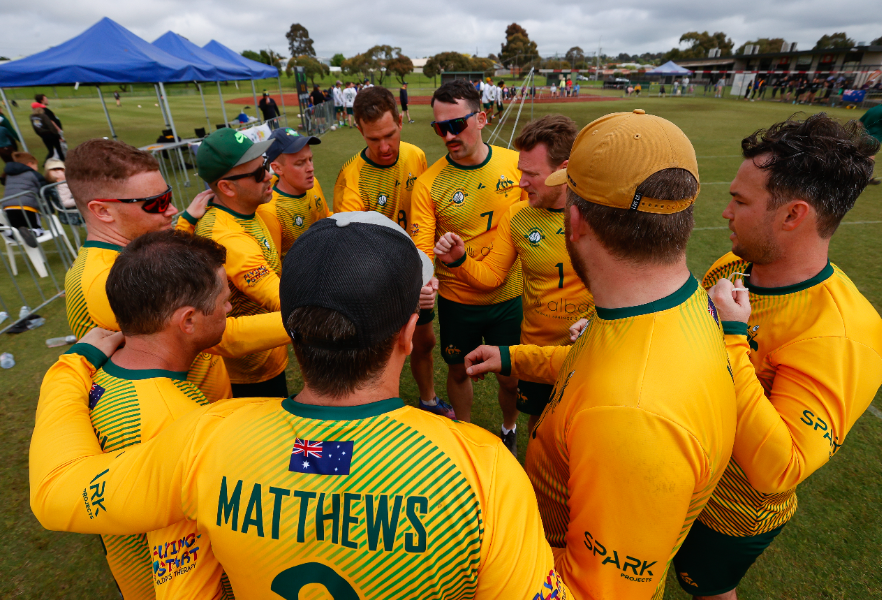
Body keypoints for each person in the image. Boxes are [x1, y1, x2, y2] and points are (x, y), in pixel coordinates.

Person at [30, 212, 572, 600]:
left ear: (290, 326)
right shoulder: (481, 466)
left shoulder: (206, 436)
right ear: (409, 334)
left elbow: (57, 493)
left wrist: (71, 366)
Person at [465, 109, 737, 599]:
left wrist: (492, 555)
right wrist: (512, 358)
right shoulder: (677, 304)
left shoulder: (630, 415)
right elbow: (590, 365)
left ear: (575, 222)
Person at [673, 113, 882, 600]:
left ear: (793, 215)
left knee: (706, 590)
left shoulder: (842, 334)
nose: (725, 212)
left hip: (729, 513)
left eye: (740, 201)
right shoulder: (733, 266)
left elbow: (779, 469)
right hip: (683, 474)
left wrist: (733, 337)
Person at [73, 229, 236, 600]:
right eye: (225, 301)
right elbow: (182, 571)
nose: (230, 309)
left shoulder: (99, 371)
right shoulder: (175, 420)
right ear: (188, 320)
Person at [63, 138, 289, 403]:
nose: (171, 209)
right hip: (187, 415)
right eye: (156, 203)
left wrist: (187, 221)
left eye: (167, 196)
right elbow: (220, 333)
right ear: (103, 210)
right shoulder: (106, 279)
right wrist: (309, 318)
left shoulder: (136, 253)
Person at [433, 115, 592, 440]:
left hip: (589, 351)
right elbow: (492, 276)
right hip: (535, 354)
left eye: (531, 174)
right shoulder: (517, 216)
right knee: (538, 429)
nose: (521, 182)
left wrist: (594, 320)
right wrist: (460, 260)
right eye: (521, 171)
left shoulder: (598, 215)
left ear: (564, 169)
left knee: (584, 432)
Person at [408, 79, 527, 450]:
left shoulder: (515, 165)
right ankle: (466, 437)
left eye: (456, 124)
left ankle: (509, 429)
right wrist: (425, 282)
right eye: (439, 128)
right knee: (458, 371)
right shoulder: (429, 183)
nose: (448, 136)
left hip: (508, 297)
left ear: (482, 118)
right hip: (458, 303)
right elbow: (421, 249)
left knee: (510, 376)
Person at [332, 86, 444, 417]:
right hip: (376, 279)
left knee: (424, 342)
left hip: (415, 270)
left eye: (389, 135)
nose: (384, 147)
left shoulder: (416, 156)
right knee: (377, 350)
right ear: (359, 130)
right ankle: (374, 410)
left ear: (400, 121)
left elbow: (425, 215)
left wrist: (423, 272)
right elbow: (354, 246)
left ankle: (428, 401)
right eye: (373, 139)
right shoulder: (352, 176)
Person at [191, 128, 290, 399]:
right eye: (258, 173)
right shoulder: (223, 235)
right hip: (249, 373)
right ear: (226, 187)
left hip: (268, 353)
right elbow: (274, 293)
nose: (269, 176)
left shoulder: (249, 208)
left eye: (265, 165)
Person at [256, 127, 330, 260]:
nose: (310, 168)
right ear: (277, 168)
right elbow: (274, 265)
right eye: (300, 163)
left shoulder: (314, 183)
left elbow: (326, 216)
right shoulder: (270, 211)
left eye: (310, 159)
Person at [2, 151, 47, 245]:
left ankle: (6, 231)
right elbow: (43, 191)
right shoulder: (33, 174)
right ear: (30, 164)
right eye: (36, 165)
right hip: (27, 207)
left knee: (16, 231)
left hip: (9, 208)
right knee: (38, 229)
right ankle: (33, 232)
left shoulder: (9, 175)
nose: (37, 168)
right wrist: (48, 210)